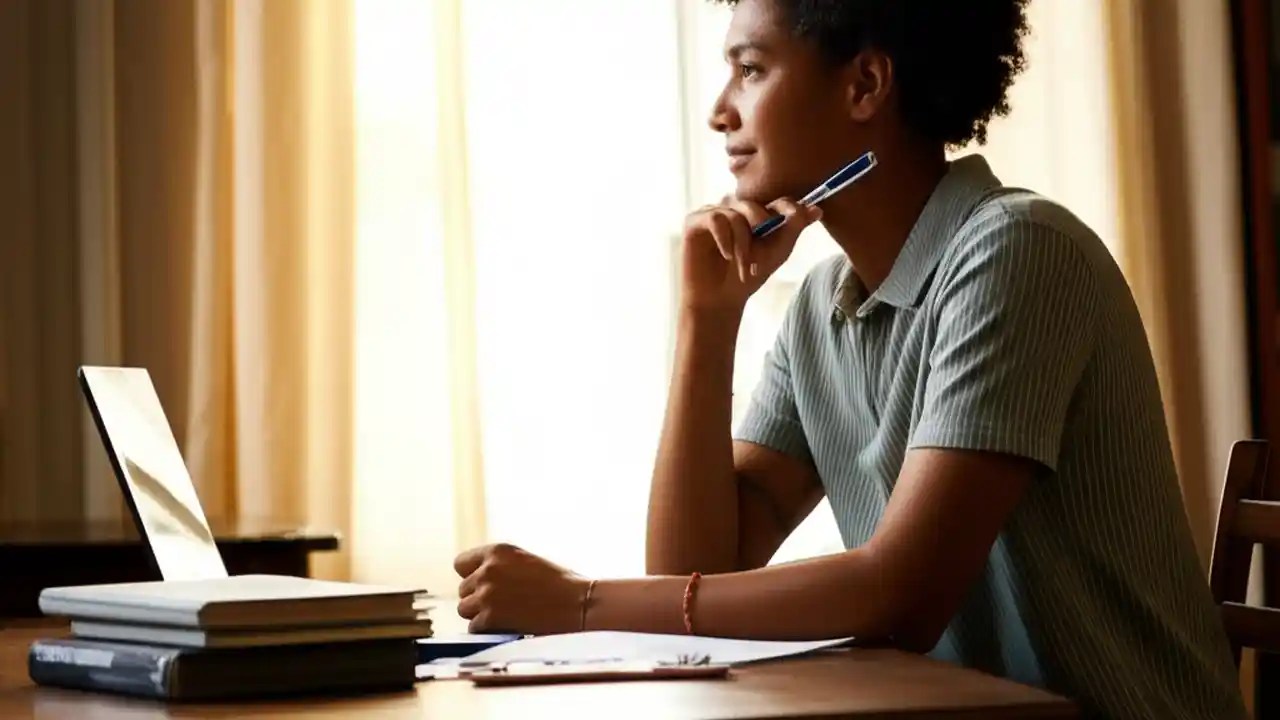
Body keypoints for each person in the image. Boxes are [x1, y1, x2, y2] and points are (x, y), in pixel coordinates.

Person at [452, 1, 1247, 717]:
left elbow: (900, 593)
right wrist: (706, 320)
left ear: (865, 84)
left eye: (751, 70)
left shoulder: (1017, 252)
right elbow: (695, 567)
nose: (719, 112)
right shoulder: (824, 302)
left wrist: (583, 602)